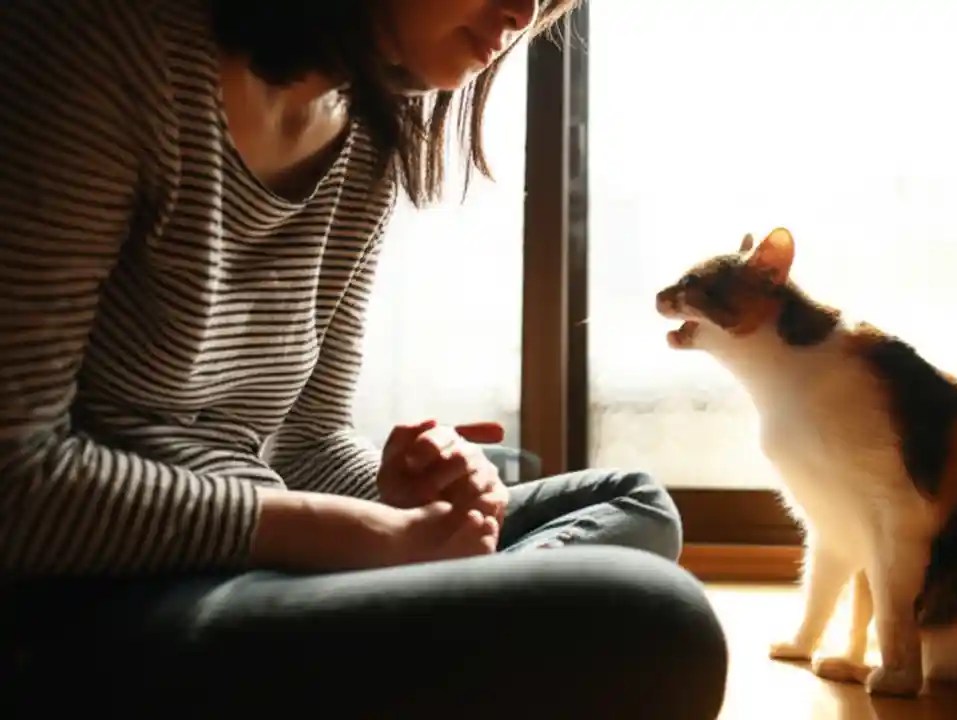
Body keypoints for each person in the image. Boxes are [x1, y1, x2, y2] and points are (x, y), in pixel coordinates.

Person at [0, 0, 728, 717]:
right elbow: (16, 480)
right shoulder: (111, 47)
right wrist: (365, 537)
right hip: (89, 599)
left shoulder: (368, 131)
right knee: (658, 622)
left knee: (632, 504)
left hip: (243, 560)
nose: (523, 10)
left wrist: (414, 498)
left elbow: (307, 437)